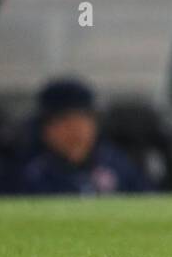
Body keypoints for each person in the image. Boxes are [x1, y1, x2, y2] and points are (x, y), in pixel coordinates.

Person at [18, 78, 153, 195]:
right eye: (65, 122)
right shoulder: (30, 174)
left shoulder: (117, 165)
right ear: (45, 129)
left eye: (83, 121)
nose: (76, 131)